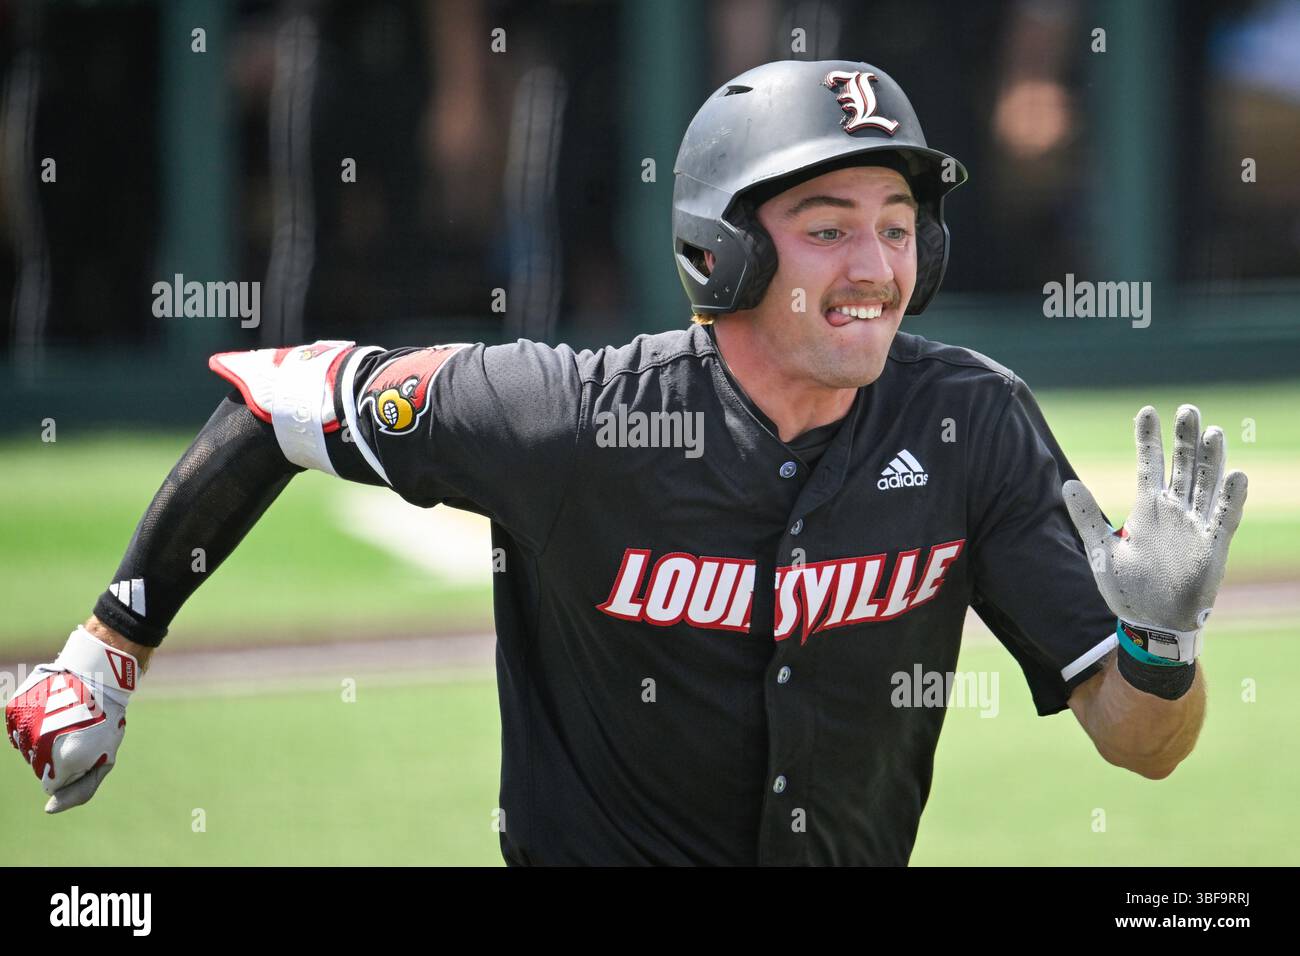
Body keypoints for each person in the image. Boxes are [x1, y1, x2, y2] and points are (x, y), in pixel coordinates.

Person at [6, 60, 1247, 865]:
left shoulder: (972, 424)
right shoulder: (564, 417)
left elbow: (1143, 740)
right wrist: (110, 645)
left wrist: (1161, 645)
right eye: (826, 231)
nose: (875, 267)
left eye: (896, 227)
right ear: (723, 256)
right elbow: (277, 400)